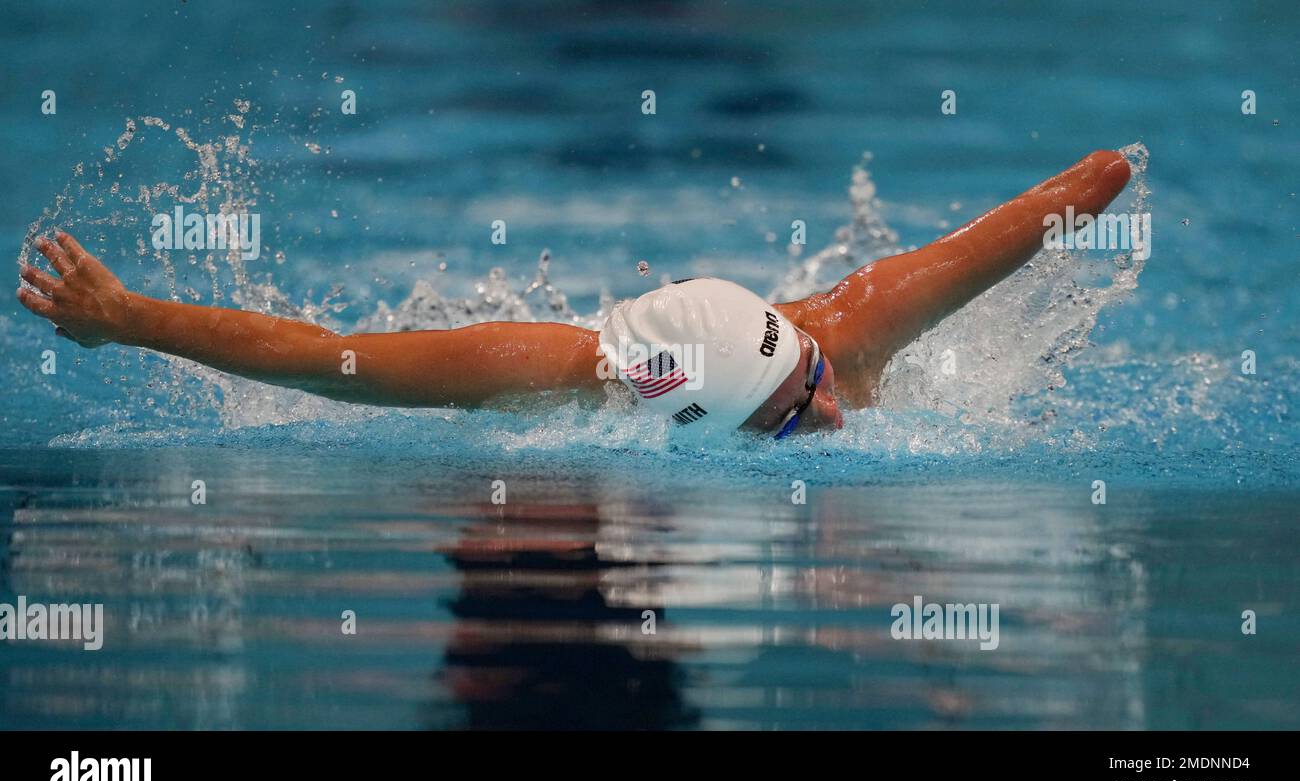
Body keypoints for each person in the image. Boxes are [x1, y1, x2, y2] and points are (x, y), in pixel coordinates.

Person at [16, 149, 1131, 438]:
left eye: (814, 378)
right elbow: (319, 352)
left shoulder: (850, 333)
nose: (833, 408)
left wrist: (1104, 180)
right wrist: (127, 319)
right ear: (689, 424)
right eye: (794, 413)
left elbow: (1012, 229)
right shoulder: (550, 380)